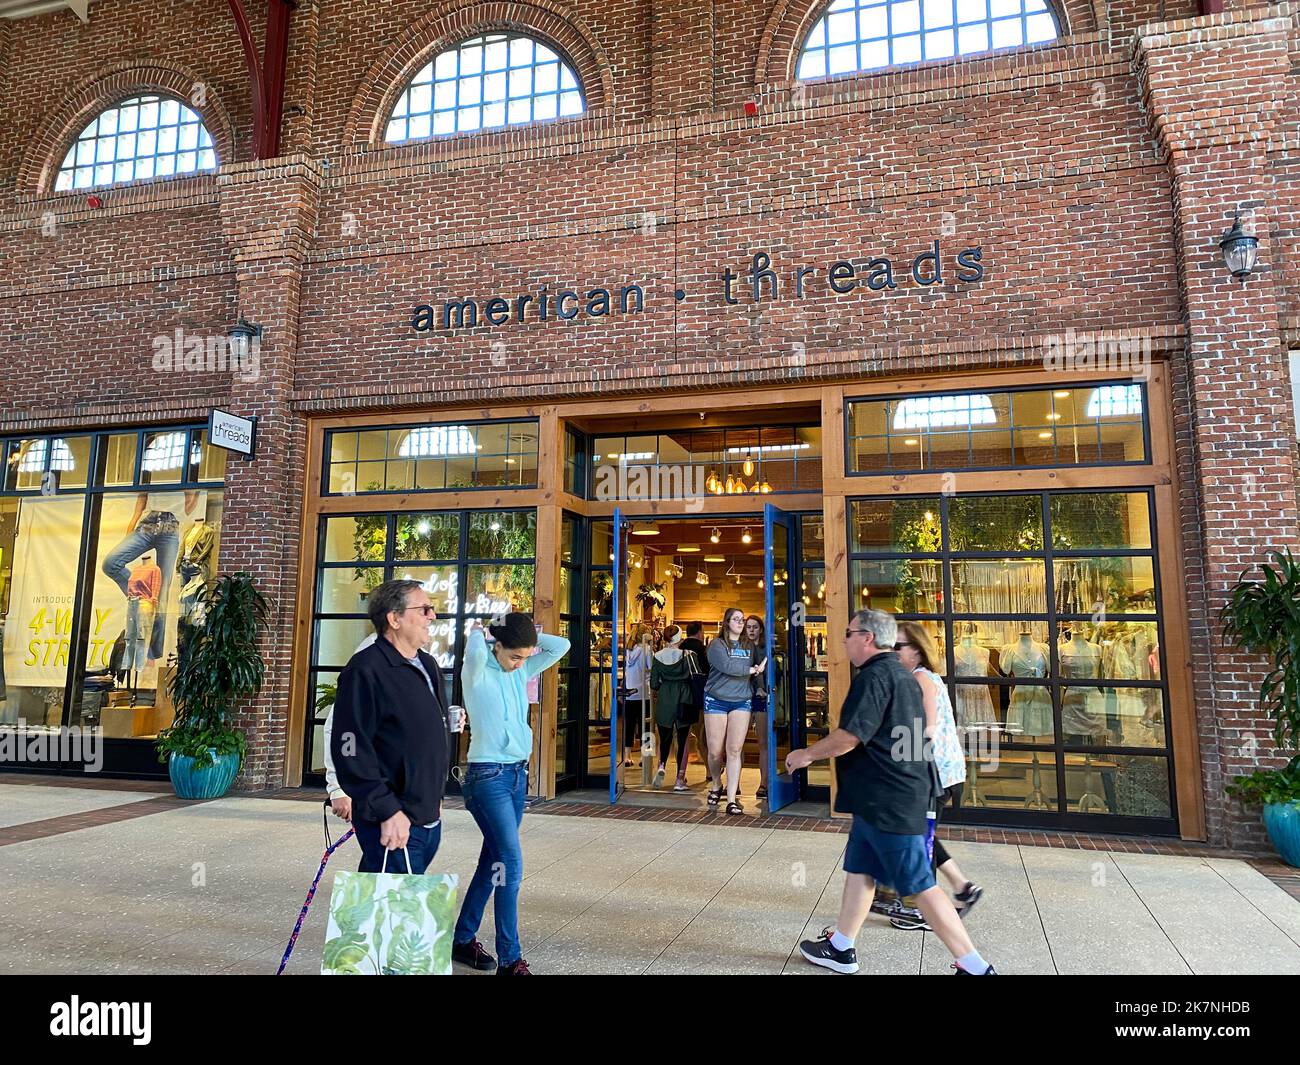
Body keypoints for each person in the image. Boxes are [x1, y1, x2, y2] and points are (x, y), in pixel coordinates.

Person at [788, 609, 997, 975]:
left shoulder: (876, 677)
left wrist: (806, 754)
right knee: (861, 868)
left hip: (891, 799)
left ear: (867, 638)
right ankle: (841, 946)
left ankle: (975, 966)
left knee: (920, 885)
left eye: (849, 633)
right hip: (881, 796)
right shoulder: (901, 675)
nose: (844, 640)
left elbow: (851, 736)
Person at [452, 613, 570, 976]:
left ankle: (461, 940)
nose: (521, 663)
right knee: (511, 863)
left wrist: (526, 634)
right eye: (514, 655)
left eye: (525, 656)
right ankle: (510, 960)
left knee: (494, 863)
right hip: (487, 777)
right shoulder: (476, 670)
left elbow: (561, 646)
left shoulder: (518, 670)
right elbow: (473, 642)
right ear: (496, 646)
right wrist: (486, 628)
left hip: (518, 775)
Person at [330, 579, 451, 877]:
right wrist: (387, 810)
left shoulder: (428, 664)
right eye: (424, 609)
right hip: (393, 819)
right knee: (398, 916)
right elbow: (350, 746)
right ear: (394, 618)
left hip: (425, 817)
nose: (432, 616)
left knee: (381, 908)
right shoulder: (366, 670)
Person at [894, 621, 984, 929]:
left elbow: (928, 724)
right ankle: (963, 888)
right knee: (921, 836)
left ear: (916, 652)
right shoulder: (925, 676)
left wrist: (910, 754)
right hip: (943, 773)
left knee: (920, 840)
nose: (893, 652)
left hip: (935, 775)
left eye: (898, 647)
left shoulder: (920, 678)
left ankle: (923, 911)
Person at [704, 608, 765, 815]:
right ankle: (715, 783)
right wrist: (751, 670)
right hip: (716, 700)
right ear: (726, 622)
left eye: (742, 619)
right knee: (714, 752)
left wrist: (759, 683)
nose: (740, 622)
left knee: (735, 750)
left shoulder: (749, 646)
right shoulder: (716, 645)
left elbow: (759, 665)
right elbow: (728, 666)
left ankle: (731, 800)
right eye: (736, 619)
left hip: (741, 701)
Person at [650, 625, 697, 791]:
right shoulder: (689, 655)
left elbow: (654, 683)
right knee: (683, 740)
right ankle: (679, 778)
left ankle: (662, 765)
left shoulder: (657, 656)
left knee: (665, 738)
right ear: (679, 637)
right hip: (684, 697)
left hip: (665, 698)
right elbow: (695, 677)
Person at [745, 614, 770, 801]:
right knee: (735, 744)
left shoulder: (766, 649)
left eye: (755, 627)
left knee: (763, 742)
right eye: (748, 627)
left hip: (761, 698)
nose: (751, 630)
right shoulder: (740, 648)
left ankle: (764, 783)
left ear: (760, 629)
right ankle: (733, 784)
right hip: (742, 697)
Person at [622, 624, 652, 769]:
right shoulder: (647, 650)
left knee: (629, 725)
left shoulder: (628, 650)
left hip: (630, 691)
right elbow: (651, 668)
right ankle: (644, 756)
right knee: (645, 725)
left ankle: (627, 757)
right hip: (644, 692)